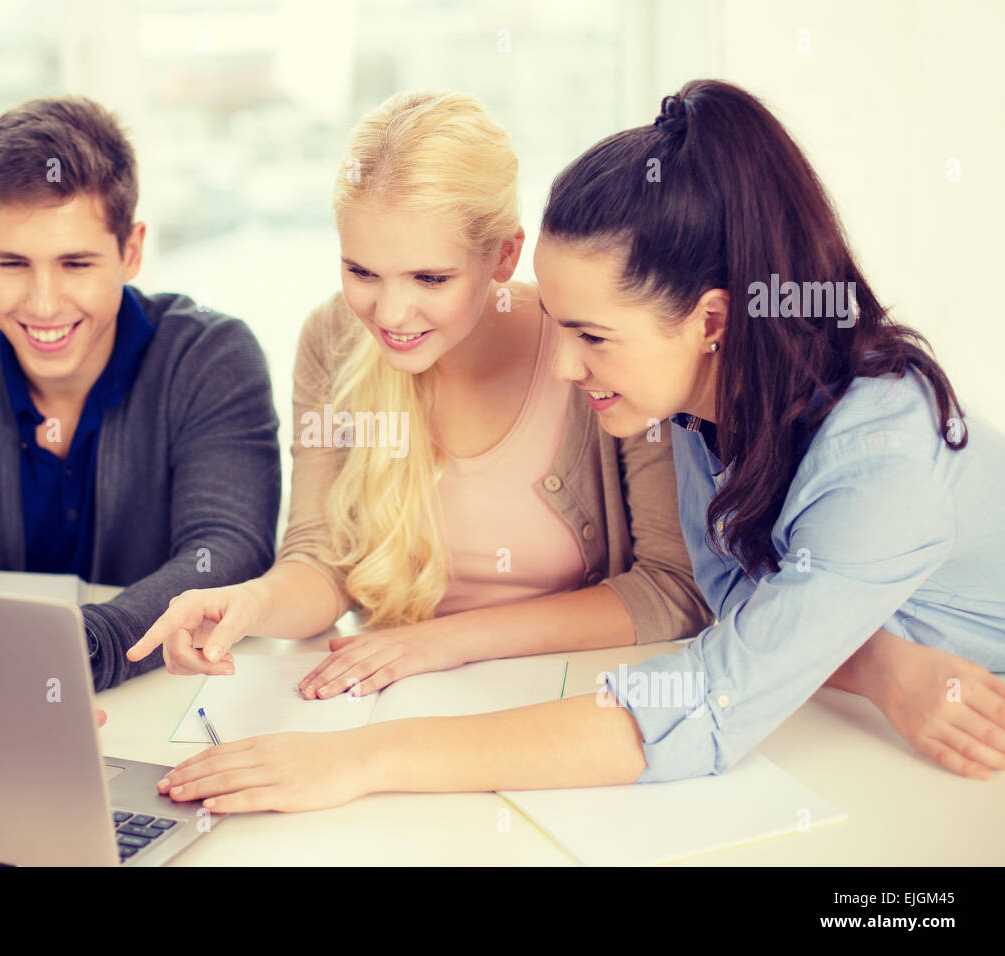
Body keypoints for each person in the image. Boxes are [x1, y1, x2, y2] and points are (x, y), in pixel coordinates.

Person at [145, 80, 1005, 813]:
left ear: (709, 320)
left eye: (590, 334)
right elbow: (753, 614)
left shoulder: (879, 459)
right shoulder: (703, 412)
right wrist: (884, 665)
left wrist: (363, 761)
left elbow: (697, 704)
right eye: (557, 325)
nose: (561, 363)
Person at [128, 90, 707, 720]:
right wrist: (249, 605)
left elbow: (670, 588)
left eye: (430, 279)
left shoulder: (591, 344)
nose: (391, 314)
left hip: (564, 703)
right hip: (397, 698)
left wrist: (442, 643)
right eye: (362, 272)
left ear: (504, 256)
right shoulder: (332, 337)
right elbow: (321, 560)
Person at [0, 96, 281, 692]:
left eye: (76, 264)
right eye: (13, 263)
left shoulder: (210, 359)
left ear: (132, 251)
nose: (43, 304)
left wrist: (77, 654)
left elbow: (229, 550)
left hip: (166, 691)